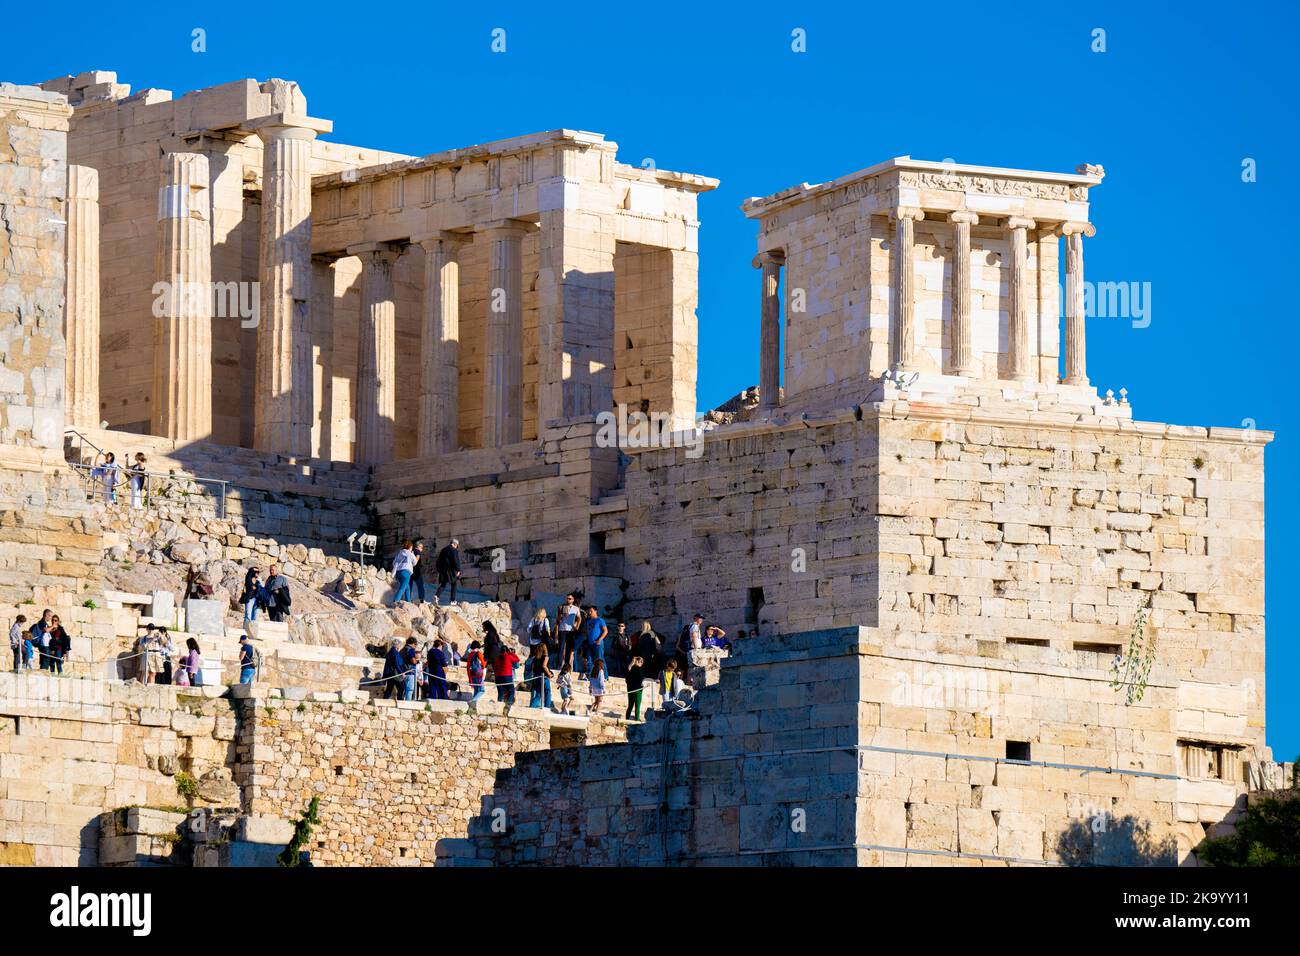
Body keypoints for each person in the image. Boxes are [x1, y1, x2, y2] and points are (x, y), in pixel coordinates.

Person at [556, 594, 581, 669]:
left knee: (568, 648)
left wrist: (577, 626)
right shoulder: (562, 607)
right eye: (567, 598)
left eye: (570, 599)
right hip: (562, 629)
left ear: (573, 600)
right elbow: (558, 620)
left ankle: (566, 666)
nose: (568, 600)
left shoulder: (576, 608)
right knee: (561, 647)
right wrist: (560, 613)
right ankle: (559, 665)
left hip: (570, 630)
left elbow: (579, 618)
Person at [583, 606, 608, 679]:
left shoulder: (600, 620)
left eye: (591, 611)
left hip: (598, 643)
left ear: (595, 611)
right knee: (589, 660)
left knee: (600, 659)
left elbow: (605, 631)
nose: (589, 613)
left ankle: (605, 676)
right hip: (590, 643)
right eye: (589, 611)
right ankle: (590, 675)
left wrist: (599, 639)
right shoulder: (588, 621)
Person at [434, 539, 461, 603]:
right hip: (450, 571)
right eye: (457, 546)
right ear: (455, 544)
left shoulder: (443, 550)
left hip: (443, 570)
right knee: (454, 584)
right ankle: (452, 600)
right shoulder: (454, 550)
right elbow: (456, 560)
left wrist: (439, 570)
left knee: (443, 583)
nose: (456, 547)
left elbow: (438, 561)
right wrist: (458, 570)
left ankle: (437, 595)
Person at [391, 540, 416, 605]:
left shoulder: (399, 553)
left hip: (398, 573)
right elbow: (415, 562)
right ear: (410, 546)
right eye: (412, 547)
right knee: (402, 588)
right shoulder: (410, 553)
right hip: (406, 572)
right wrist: (412, 554)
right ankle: (395, 602)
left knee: (407, 587)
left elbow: (394, 563)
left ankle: (408, 602)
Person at [528, 645, 553, 709]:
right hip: (544, 677)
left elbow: (533, 667)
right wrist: (549, 674)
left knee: (538, 694)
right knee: (548, 692)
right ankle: (547, 708)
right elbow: (544, 666)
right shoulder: (545, 657)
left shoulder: (535, 658)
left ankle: (532, 707)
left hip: (537, 677)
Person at [625, 655, 645, 721]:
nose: (642, 664)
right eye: (642, 663)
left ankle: (627, 718)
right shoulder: (640, 670)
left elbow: (626, 680)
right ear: (640, 662)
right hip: (637, 690)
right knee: (637, 706)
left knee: (630, 705)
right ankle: (636, 719)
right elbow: (640, 679)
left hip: (630, 689)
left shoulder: (630, 668)